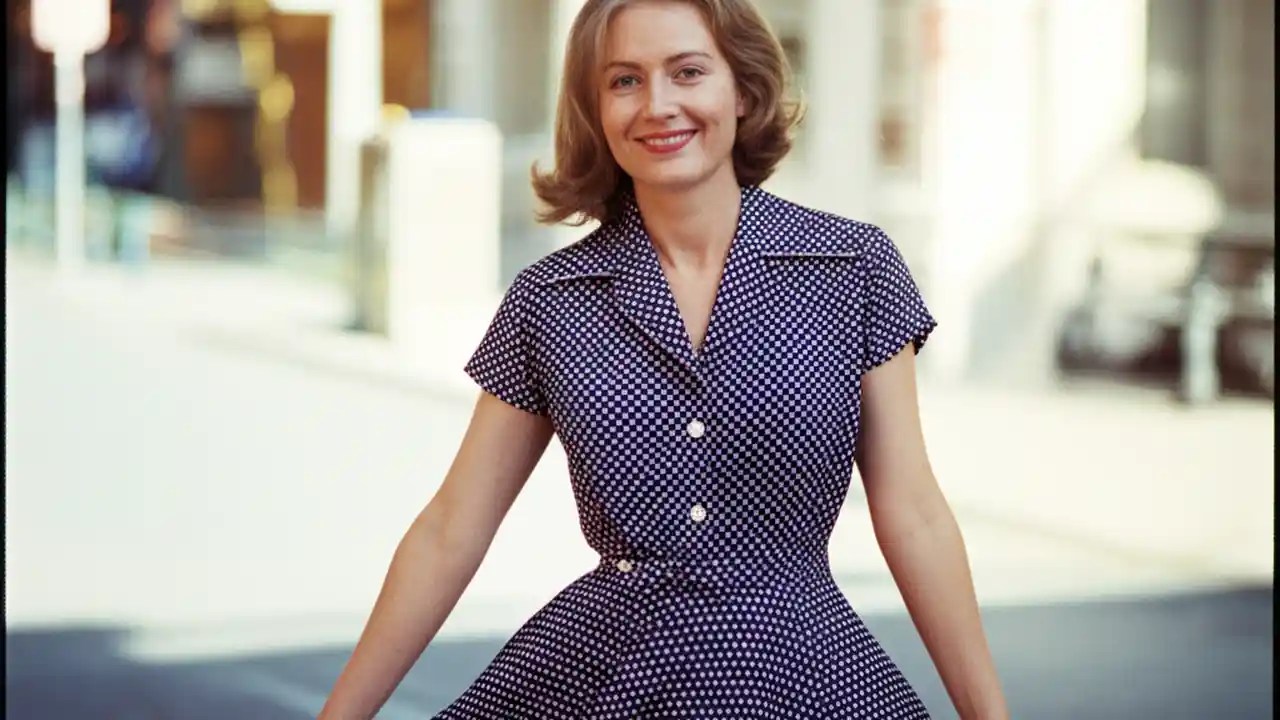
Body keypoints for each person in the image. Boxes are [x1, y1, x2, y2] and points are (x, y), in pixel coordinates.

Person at [320, 0, 1009, 717]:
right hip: (608, 676)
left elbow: (914, 512)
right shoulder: (549, 301)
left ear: (742, 90)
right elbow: (450, 528)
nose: (658, 105)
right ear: (595, 107)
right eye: (624, 81)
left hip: (803, 675)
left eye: (688, 72)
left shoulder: (853, 268)